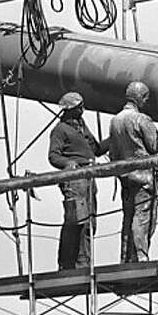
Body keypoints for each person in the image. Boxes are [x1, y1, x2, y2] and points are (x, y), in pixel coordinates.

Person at [107, 80, 158, 264]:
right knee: (143, 218)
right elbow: (156, 146)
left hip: (126, 178)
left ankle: (127, 259)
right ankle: (140, 257)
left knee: (128, 219)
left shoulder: (115, 120)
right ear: (141, 98)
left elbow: (113, 152)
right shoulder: (141, 120)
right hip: (144, 178)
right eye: (146, 99)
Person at [48, 91, 108, 270]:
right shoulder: (60, 130)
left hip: (88, 179)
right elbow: (53, 156)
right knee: (76, 222)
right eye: (79, 107)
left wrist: (115, 137)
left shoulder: (81, 126)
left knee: (89, 222)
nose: (83, 109)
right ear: (70, 110)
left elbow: (96, 149)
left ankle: (84, 261)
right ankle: (68, 263)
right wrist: (69, 163)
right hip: (75, 181)